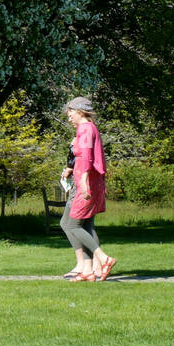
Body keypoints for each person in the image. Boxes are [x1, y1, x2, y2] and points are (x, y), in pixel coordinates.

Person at [59, 96, 117, 281]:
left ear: (80, 112)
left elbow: (86, 158)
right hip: (93, 182)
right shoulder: (90, 129)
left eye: (71, 113)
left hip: (86, 184)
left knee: (70, 224)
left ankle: (103, 258)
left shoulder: (84, 129)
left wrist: (83, 184)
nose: (69, 118)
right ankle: (87, 271)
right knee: (86, 225)